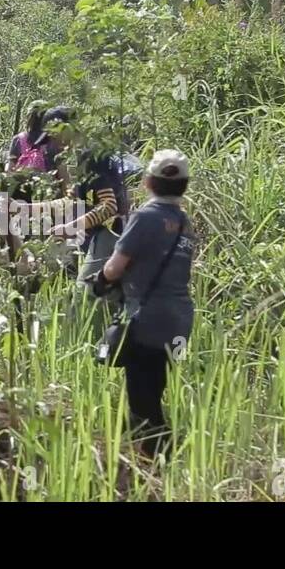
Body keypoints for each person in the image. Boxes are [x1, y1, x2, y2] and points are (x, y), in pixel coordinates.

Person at [91, 149, 196, 457]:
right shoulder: (185, 223)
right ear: (184, 186)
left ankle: (163, 460)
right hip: (180, 323)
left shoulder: (145, 217)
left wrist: (101, 281)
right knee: (152, 389)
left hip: (147, 320)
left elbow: (114, 267)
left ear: (148, 181)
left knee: (142, 401)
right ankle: (130, 456)